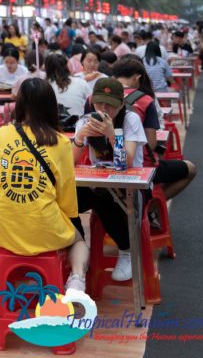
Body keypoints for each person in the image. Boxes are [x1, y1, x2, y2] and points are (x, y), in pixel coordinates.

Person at [0, 78, 88, 298]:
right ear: (52, 106)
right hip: (45, 227)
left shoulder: (2, 134)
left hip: (6, 225)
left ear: (20, 104)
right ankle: (76, 279)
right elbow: (65, 192)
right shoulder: (61, 142)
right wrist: (69, 216)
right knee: (79, 238)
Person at [71, 78, 146, 281]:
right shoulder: (86, 120)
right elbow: (71, 161)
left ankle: (126, 249)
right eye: (99, 103)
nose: (103, 109)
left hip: (130, 186)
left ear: (121, 104)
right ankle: (77, 246)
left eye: (110, 105)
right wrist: (79, 139)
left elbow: (127, 163)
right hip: (100, 183)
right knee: (65, 200)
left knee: (103, 198)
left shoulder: (131, 120)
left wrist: (112, 135)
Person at [110, 58, 197, 201]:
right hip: (139, 167)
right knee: (191, 169)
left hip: (102, 165)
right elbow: (151, 143)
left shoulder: (93, 98)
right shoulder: (145, 100)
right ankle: (152, 205)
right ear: (137, 77)